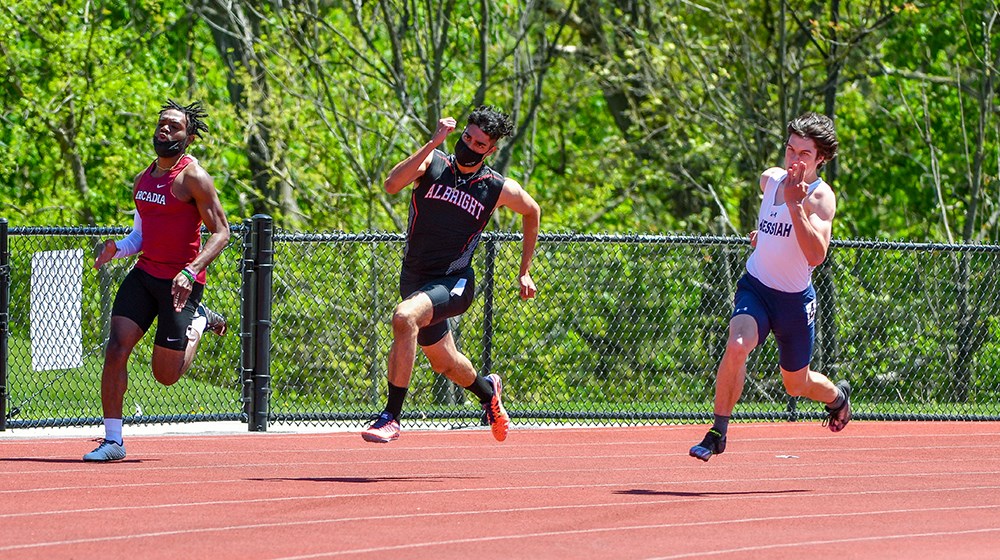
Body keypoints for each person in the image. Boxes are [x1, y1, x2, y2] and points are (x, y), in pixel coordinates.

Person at [362, 105, 540, 444]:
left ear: (491, 150)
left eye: (478, 144)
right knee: (445, 363)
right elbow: (391, 185)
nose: (468, 146)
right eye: (466, 137)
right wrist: (432, 143)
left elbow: (532, 212)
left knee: (404, 318)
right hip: (414, 279)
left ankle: (391, 416)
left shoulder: (497, 187)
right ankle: (488, 392)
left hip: (454, 281)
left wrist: (525, 271)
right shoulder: (434, 164)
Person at [690, 112, 851, 462]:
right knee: (738, 344)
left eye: (804, 154)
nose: (794, 160)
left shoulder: (821, 198)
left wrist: (795, 205)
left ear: (820, 158)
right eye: (790, 150)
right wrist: (762, 235)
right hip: (757, 287)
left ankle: (837, 397)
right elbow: (772, 223)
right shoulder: (770, 180)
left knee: (797, 383)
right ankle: (718, 431)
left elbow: (816, 254)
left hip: (793, 302)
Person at [83, 100, 231, 462]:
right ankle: (113, 441)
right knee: (116, 348)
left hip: (180, 284)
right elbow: (140, 238)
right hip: (145, 276)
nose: (164, 130)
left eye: (174, 126)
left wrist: (190, 270)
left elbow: (222, 232)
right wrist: (116, 249)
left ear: (189, 137)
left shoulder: (194, 177)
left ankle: (198, 321)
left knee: (165, 376)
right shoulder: (143, 179)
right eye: (161, 124)